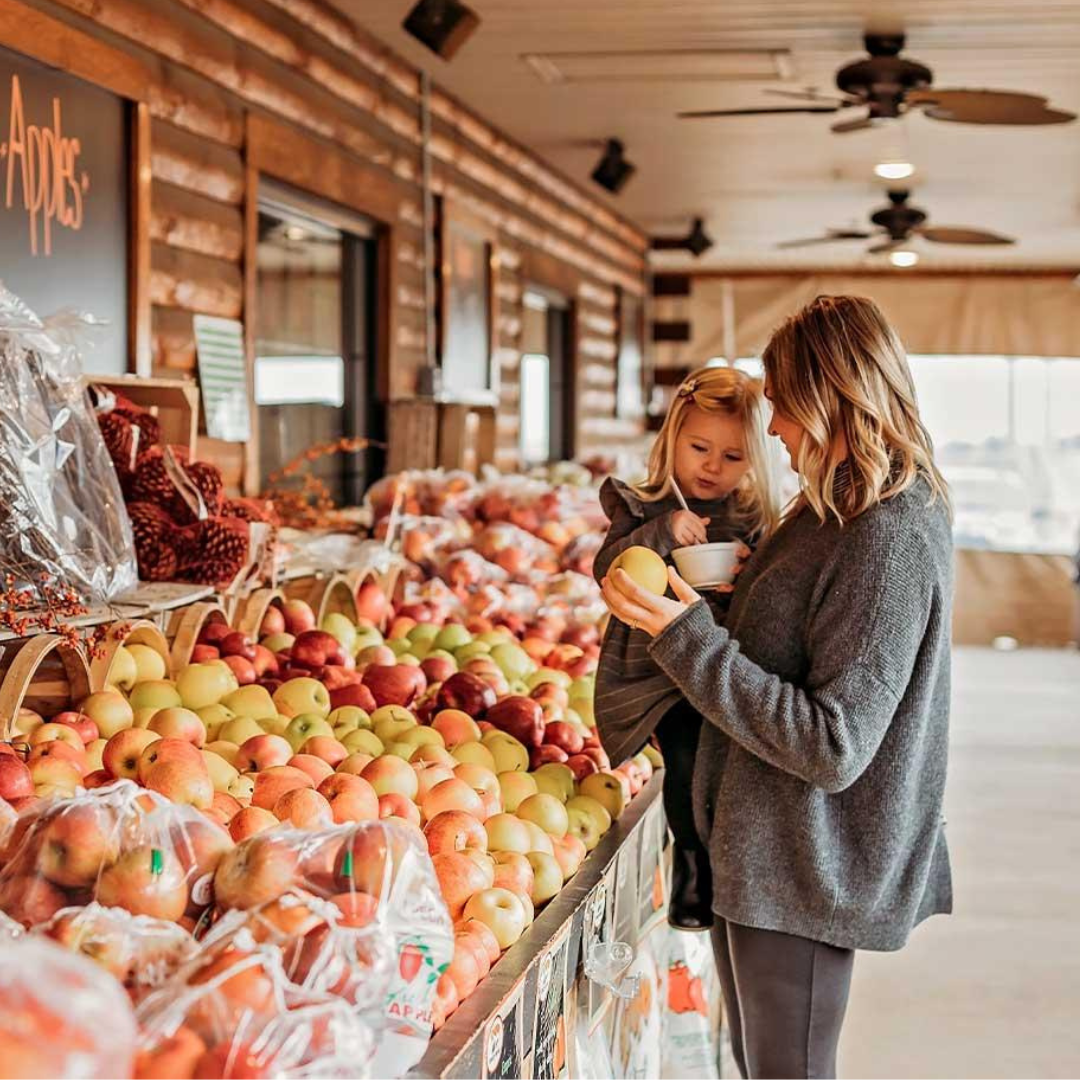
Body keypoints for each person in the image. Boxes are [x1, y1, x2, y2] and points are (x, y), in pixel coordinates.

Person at [602, 295, 954, 1079]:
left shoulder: (884, 535)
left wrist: (681, 634)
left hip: (803, 860)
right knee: (762, 1062)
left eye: (785, 403)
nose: (772, 428)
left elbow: (834, 744)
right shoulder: (831, 510)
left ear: (834, 397)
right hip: (764, 847)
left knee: (786, 1070)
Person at [591, 365, 782, 930]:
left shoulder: (751, 517)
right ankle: (692, 874)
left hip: (720, 666)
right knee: (683, 757)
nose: (712, 467)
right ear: (673, 435)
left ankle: (727, 865)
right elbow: (607, 569)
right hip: (652, 672)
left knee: (728, 767)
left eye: (733, 457)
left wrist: (745, 580)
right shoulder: (642, 505)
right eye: (699, 447)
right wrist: (661, 533)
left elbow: (771, 596)